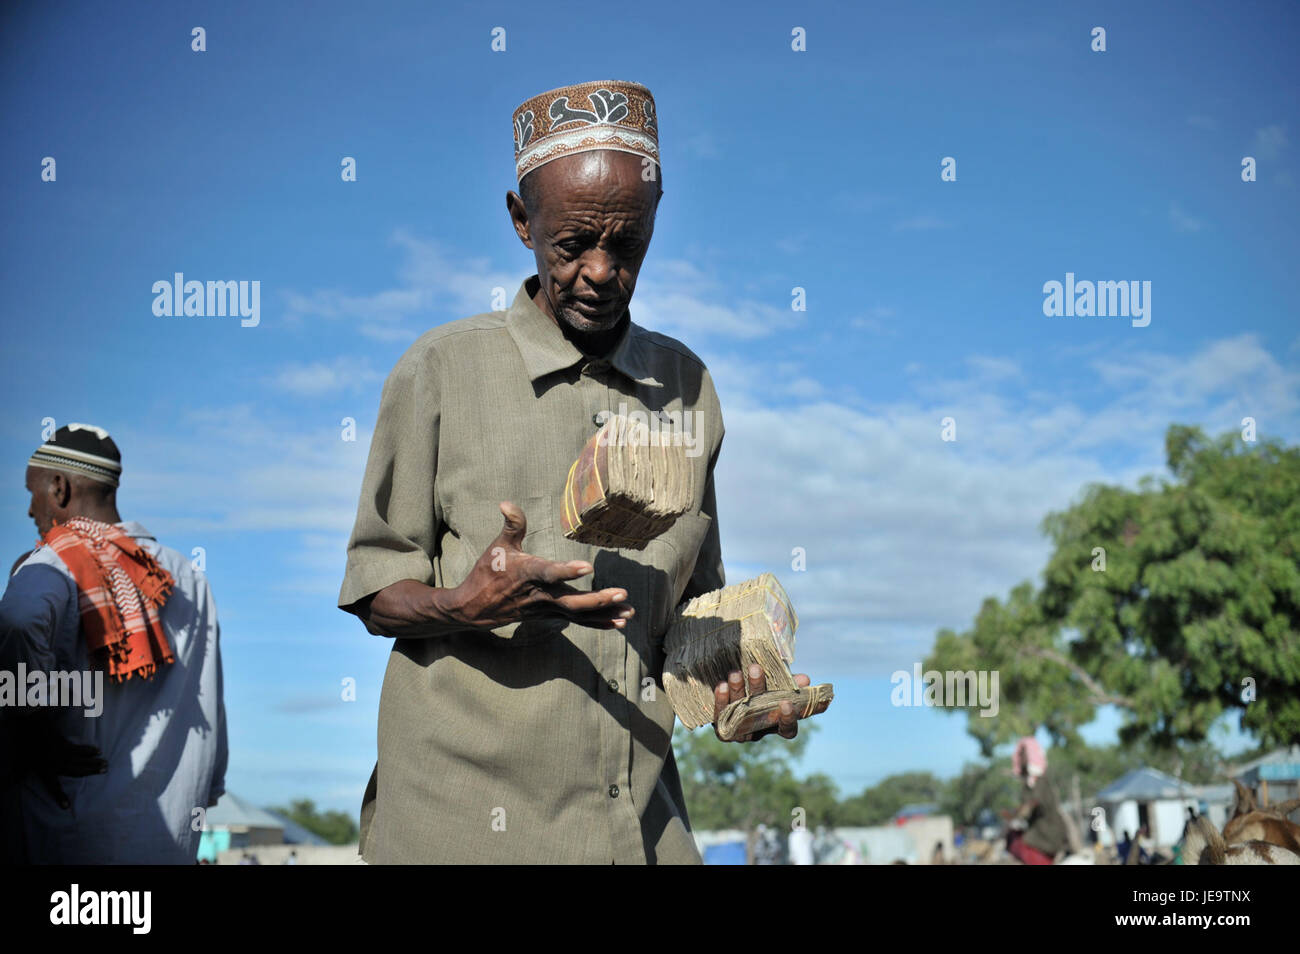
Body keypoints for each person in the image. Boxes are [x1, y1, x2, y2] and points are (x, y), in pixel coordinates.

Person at [338, 80, 821, 864]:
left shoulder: (687, 385)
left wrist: (743, 689)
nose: (600, 271)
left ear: (656, 223)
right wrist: (467, 603)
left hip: (642, 830)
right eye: (571, 245)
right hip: (462, 828)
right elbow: (374, 591)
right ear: (521, 222)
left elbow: (693, 618)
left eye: (626, 245)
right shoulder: (440, 370)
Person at [0, 424, 227, 863]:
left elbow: (18, 617)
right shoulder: (186, 576)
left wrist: (29, 731)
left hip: (68, 837)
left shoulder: (53, 559)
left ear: (59, 488)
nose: (30, 509)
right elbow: (211, 700)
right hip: (165, 840)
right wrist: (209, 784)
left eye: (33, 492)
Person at [1005, 736, 1069, 865]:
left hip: (1046, 835)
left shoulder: (1039, 780)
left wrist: (1016, 814)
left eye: (1023, 754)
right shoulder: (1029, 783)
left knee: (1015, 841)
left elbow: (1034, 803)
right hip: (1039, 835)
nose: (1021, 758)